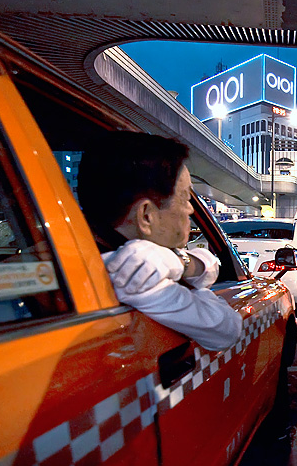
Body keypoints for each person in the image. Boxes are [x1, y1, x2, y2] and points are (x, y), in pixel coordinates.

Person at [77, 131, 242, 351]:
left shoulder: (72, 255)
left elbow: (208, 264)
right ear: (146, 216)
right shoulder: (135, 271)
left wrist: (180, 262)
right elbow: (226, 328)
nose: (191, 209)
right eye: (184, 197)